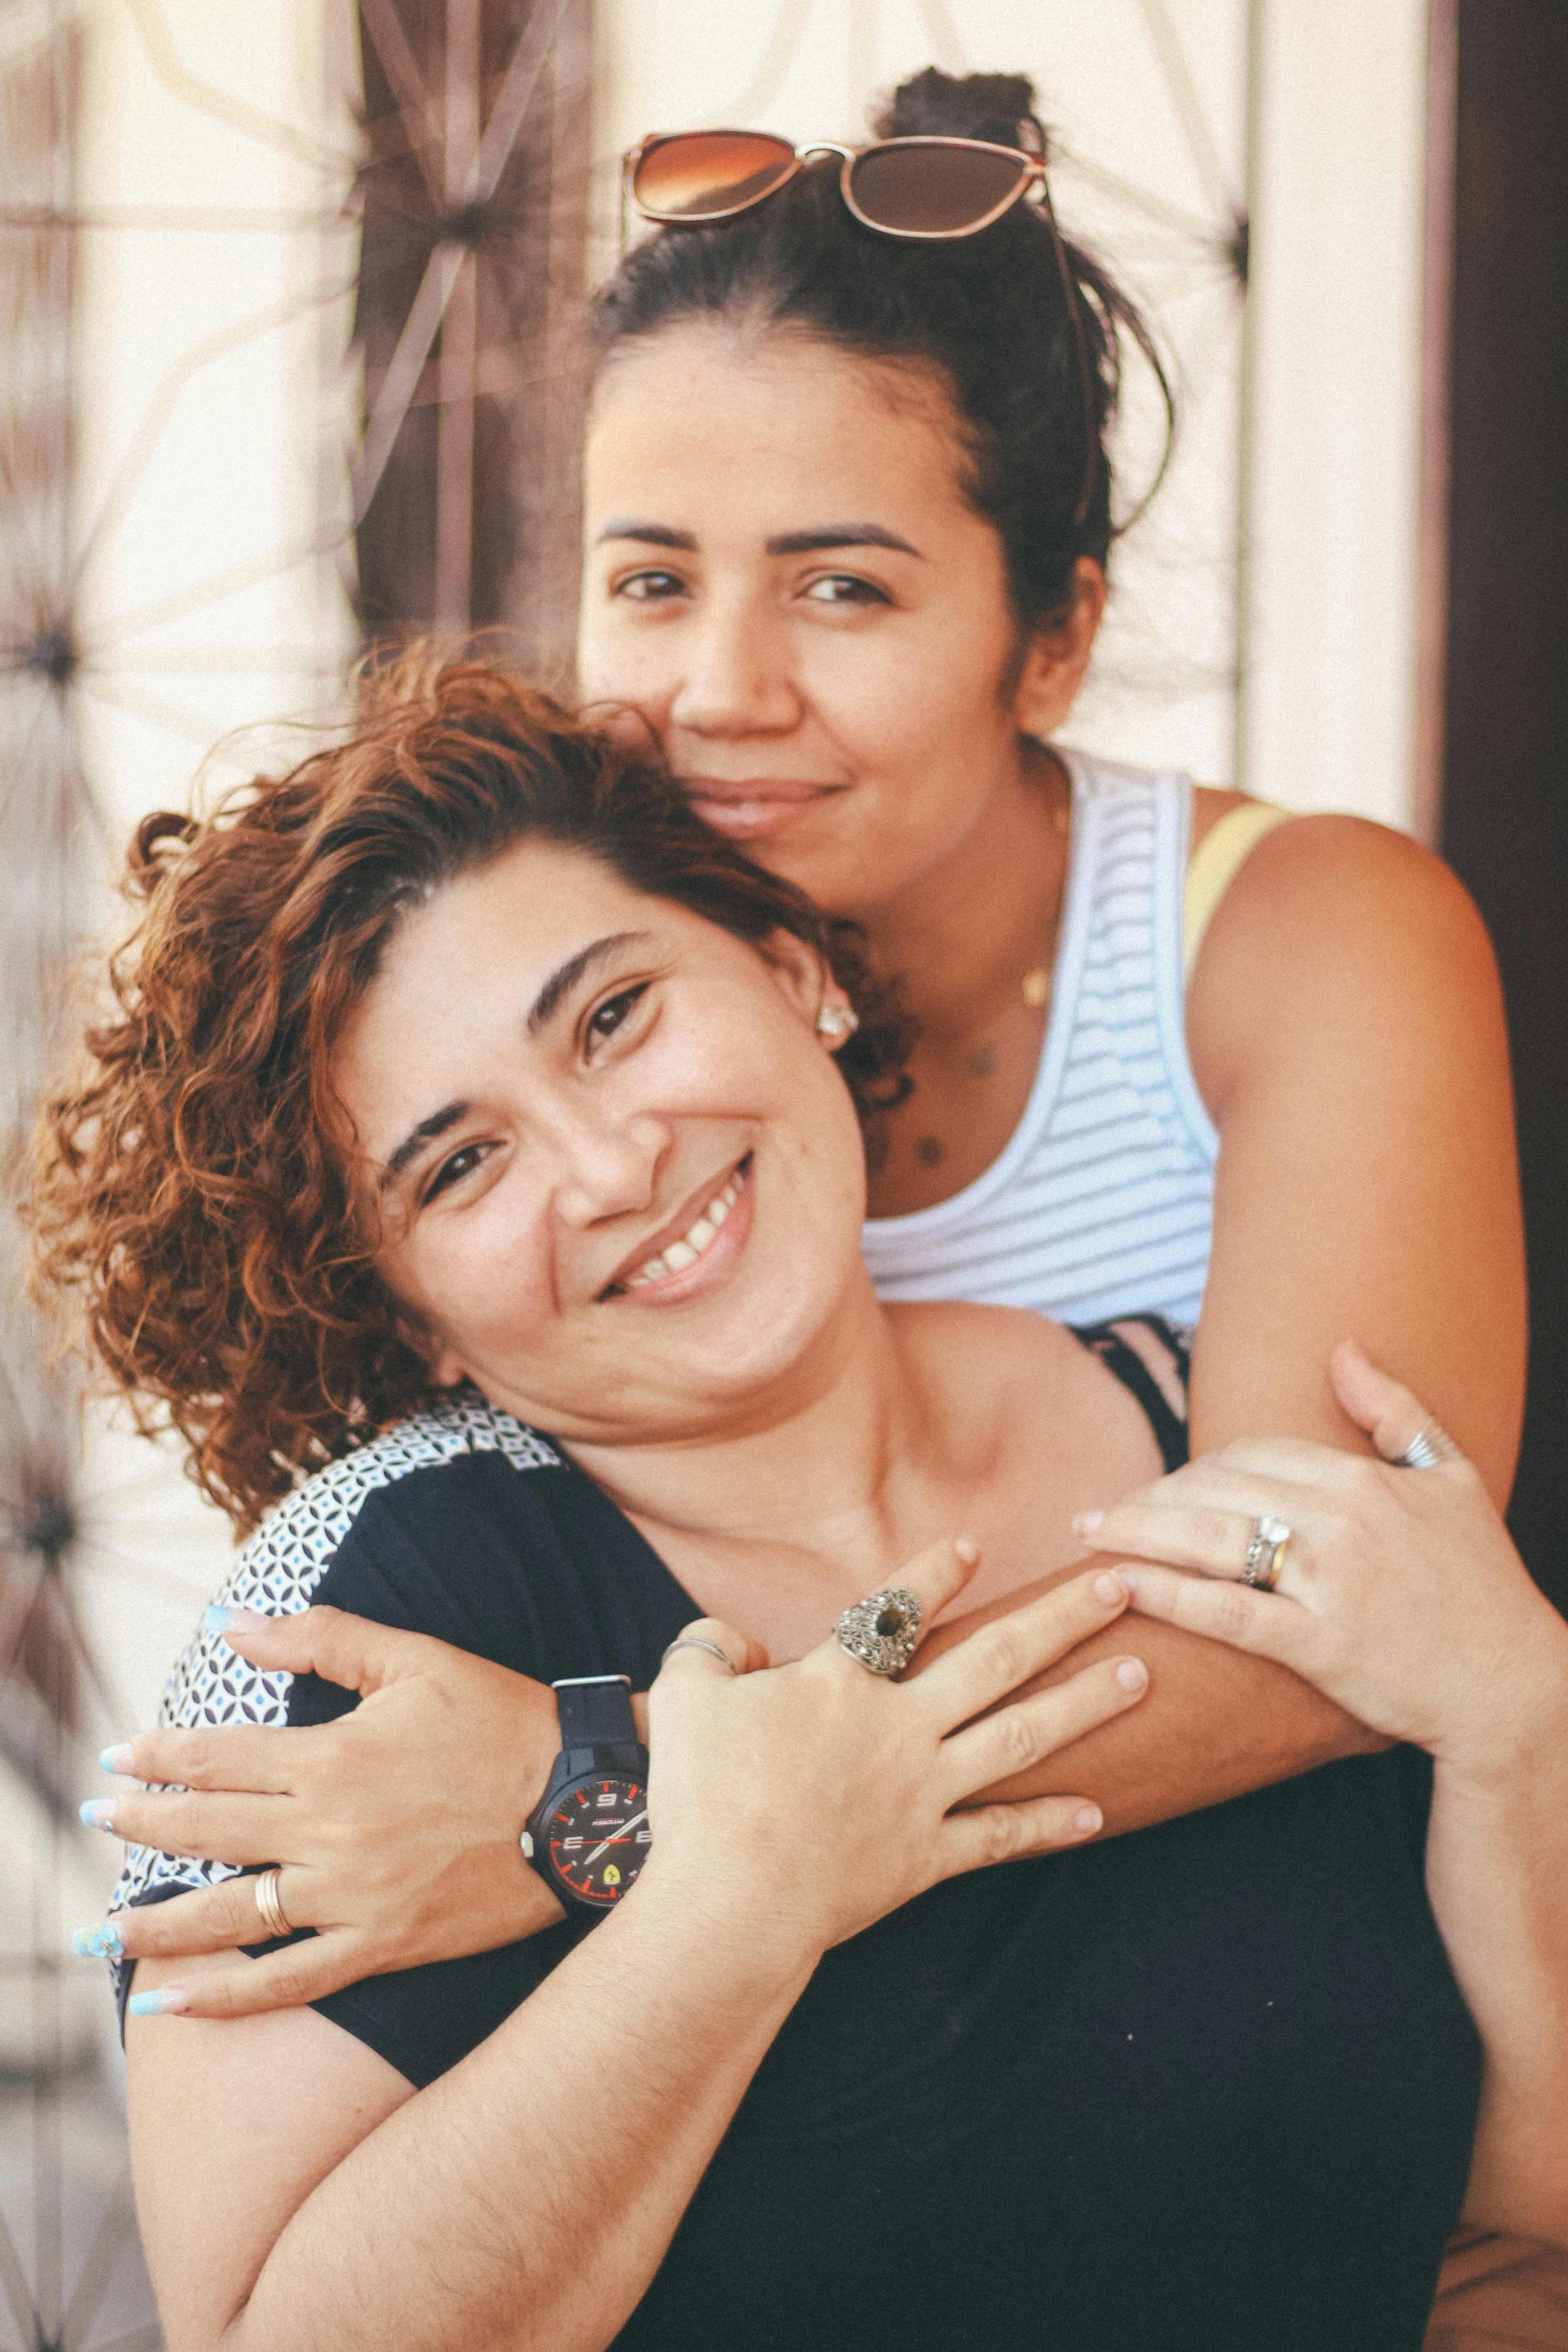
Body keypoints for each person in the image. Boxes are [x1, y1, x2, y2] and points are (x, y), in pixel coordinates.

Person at [34, 662, 1551, 2351]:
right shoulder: (355, 1620)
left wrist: (1523, 1729)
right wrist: (726, 1897)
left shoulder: (1208, 1416)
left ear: (789, 965)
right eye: (460, 1164)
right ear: (404, 1311)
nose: (611, 1168)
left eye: (612, 1016)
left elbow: (1513, 2209)